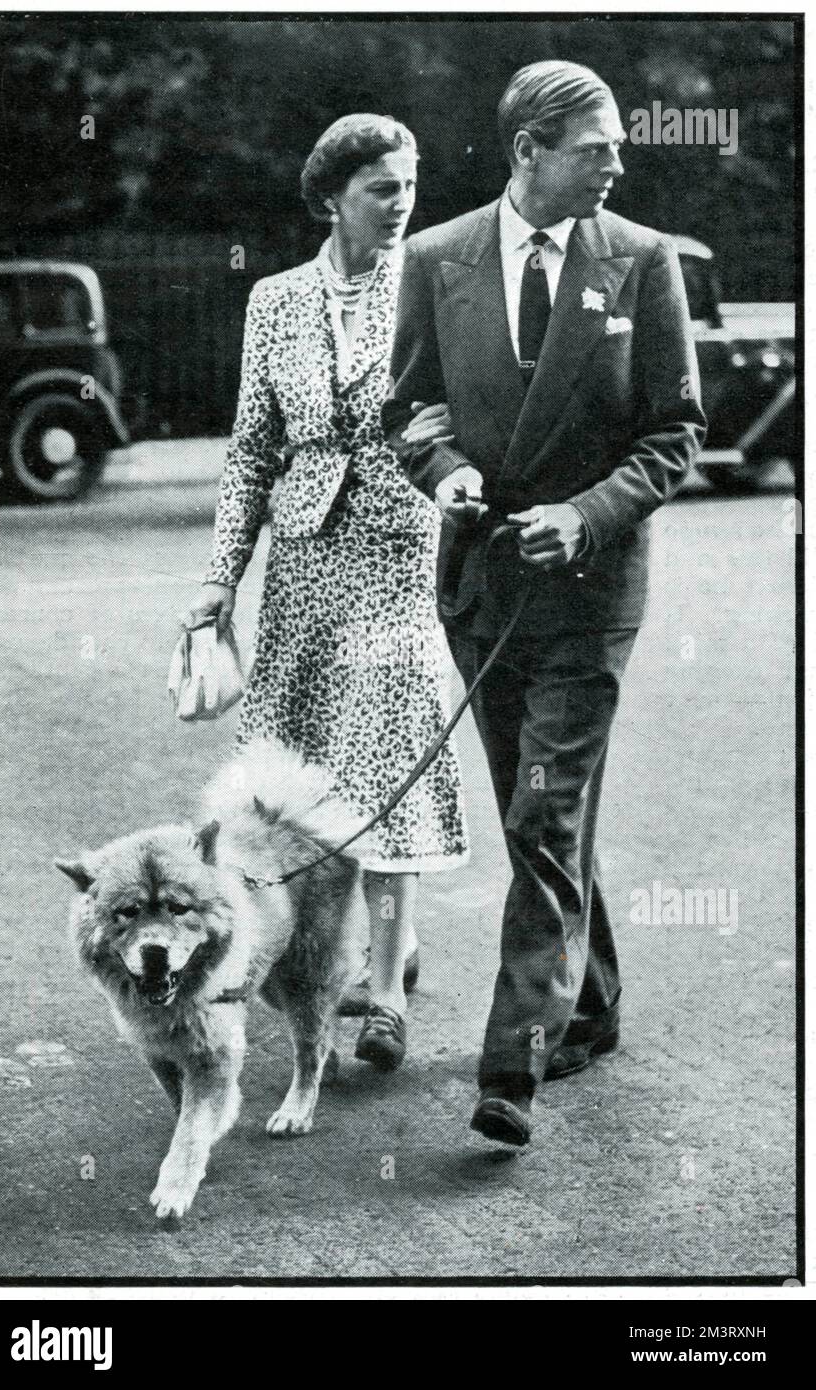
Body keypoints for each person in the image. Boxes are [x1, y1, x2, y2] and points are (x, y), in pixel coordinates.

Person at [384, 61, 706, 1144]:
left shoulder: (642, 261)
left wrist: (587, 513)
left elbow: (676, 431)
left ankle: (510, 1066)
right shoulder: (436, 259)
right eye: (596, 145)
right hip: (480, 586)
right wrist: (448, 475)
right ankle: (596, 1001)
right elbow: (410, 404)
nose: (618, 163)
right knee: (546, 815)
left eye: (618, 147)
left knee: (541, 811)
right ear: (530, 150)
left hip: (590, 587)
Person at [186, 113, 469, 1073]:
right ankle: (348, 949)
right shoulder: (276, 300)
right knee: (296, 775)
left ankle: (383, 992)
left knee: (386, 759)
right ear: (332, 197)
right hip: (303, 559)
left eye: (410, 185)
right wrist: (221, 578)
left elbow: (460, 411)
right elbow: (252, 450)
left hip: (399, 545)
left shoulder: (434, 279)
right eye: (381, 188)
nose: (401, 204)